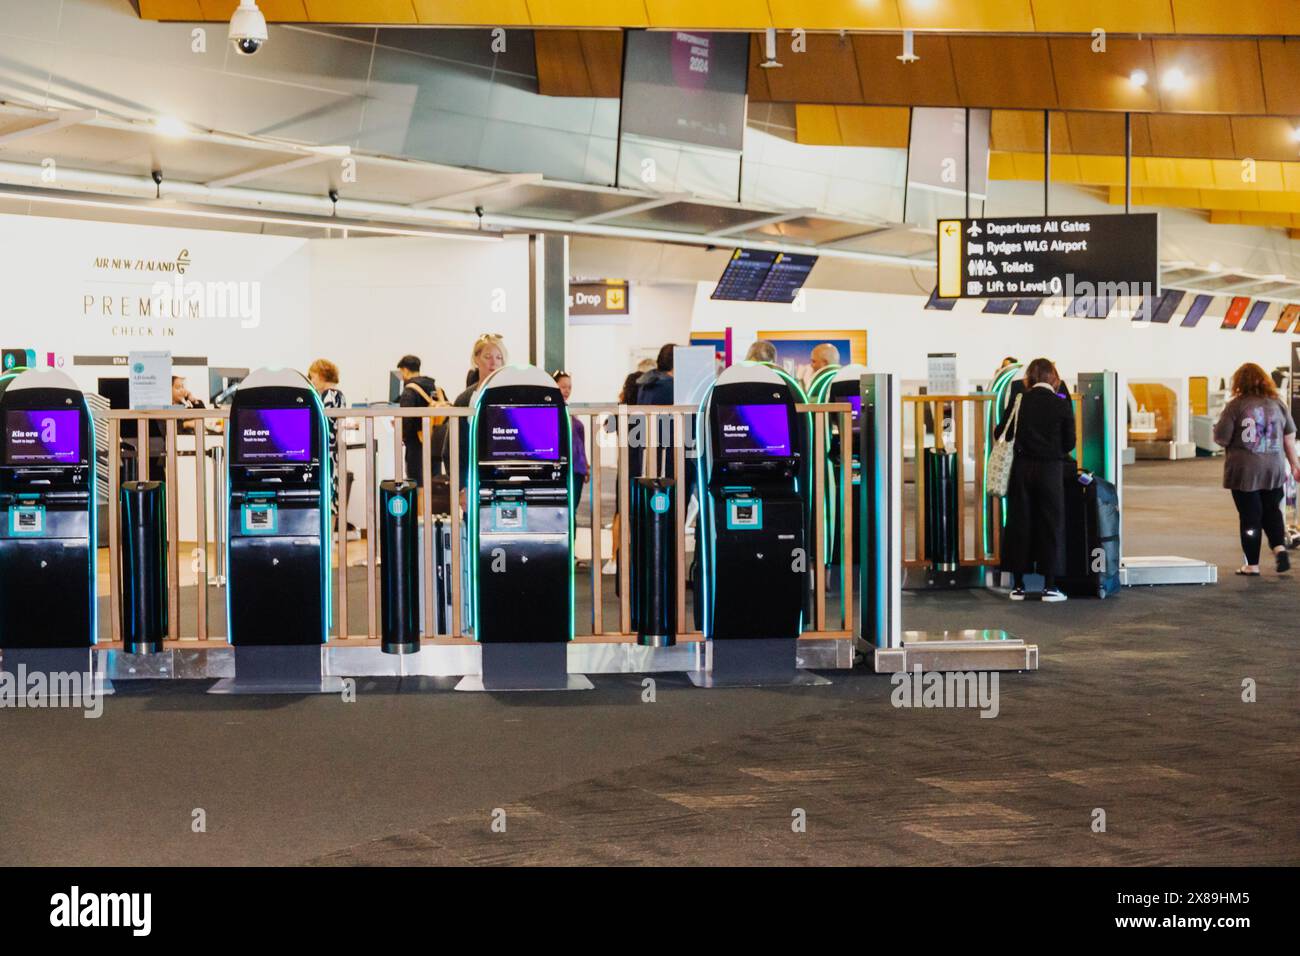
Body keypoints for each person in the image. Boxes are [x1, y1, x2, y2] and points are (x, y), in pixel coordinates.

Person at [996, 357, 1076, 602]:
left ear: (1029, 378)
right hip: (1050, 469)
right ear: (1054, 378)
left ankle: (1018, 585)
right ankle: (1049, 586)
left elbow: (1002, 432)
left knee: (1020, 522)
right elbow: (1069, 442)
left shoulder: (1021, 401)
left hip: (1022, 467)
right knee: (1050, 524)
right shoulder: (1061, 404)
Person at [1213, 362, 1300, 575]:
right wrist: (1295, 465)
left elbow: (1221, 438)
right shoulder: (1278, 404)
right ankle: (1279, 548)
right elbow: (1289, 439)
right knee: (1272, 511)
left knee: (1250, 517)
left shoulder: (1235, 406)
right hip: (1274, 468)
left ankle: (1252, 564)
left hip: (1245, 471)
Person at [441, 334, 506, 492]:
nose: (493, 363)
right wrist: (461, 487)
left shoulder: (513, 396)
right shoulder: (465, 400)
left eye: (499, 357)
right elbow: (452, 448)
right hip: (474, 483)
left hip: (507, 482)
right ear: (476, 359)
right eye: (487, 357)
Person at [307, 359, 358, 540]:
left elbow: (323, 425)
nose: (311, 381)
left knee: (325, 495)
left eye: (312, 377)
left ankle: (325, 539)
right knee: (332, 496)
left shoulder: (328, 395)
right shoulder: (339, 395)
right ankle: (329, 540)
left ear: (321, 375)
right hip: (333, 453)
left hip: (325, 453)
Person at [395, 355, 443, 486]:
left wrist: (401, 434)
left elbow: (406, 418)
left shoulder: (409, 390)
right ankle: (433, 506)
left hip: (416, 443)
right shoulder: (434, 388)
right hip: (435, 442)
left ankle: (420, 507)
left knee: (416, 482)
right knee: (434, 481)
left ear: (405, 370)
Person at [553, 371, 589, 511]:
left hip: (577, 469)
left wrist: (586, 465)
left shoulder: (571, 411)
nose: (567, 390)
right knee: (565, 510)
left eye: (569, 387)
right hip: (563, 468)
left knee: (572, 509)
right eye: (563, 387)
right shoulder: (553, 411)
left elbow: (580, 441)